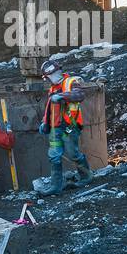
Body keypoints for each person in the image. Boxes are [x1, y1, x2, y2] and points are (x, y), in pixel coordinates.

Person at [38, 58, 91, 195]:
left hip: (69, 127)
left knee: (73, 153)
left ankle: (86, 177)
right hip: (55, 128)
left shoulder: (71, 82)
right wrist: (45, 123)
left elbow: (79, 95)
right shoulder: (52, 89)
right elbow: (50, 109)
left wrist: (62, 96)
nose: (51, 78)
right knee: (54, 156)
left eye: (50, 76)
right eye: (49, 76)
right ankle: (55, 186)